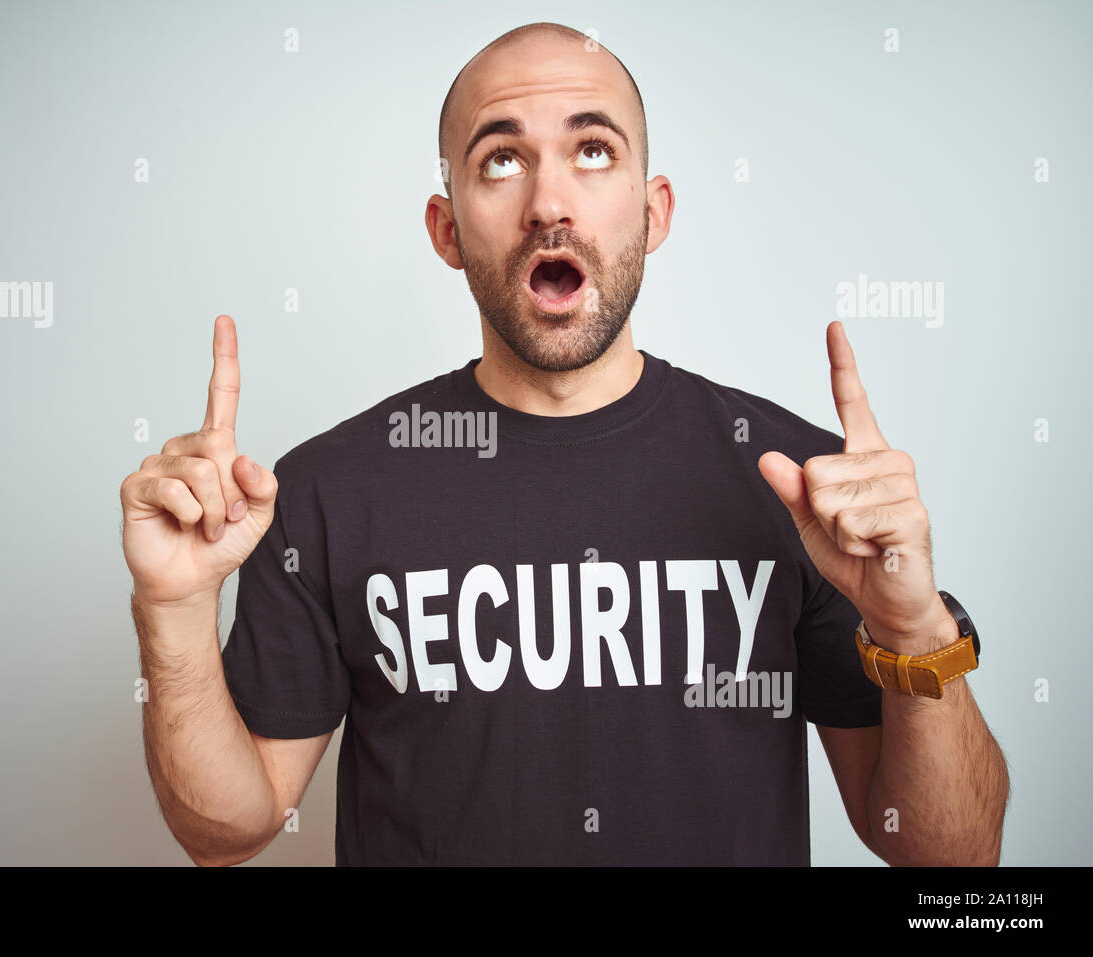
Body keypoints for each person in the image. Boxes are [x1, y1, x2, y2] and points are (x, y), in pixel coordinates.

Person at [119, 22, 1009, 866]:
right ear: (447, 231)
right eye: (501, 159)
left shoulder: (802, 490)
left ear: (654, 213)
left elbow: (951, 855)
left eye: (593, 151)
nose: (549, 201)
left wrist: (913, 626)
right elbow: (226, 835)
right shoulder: (321, 494)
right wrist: (172, 612)